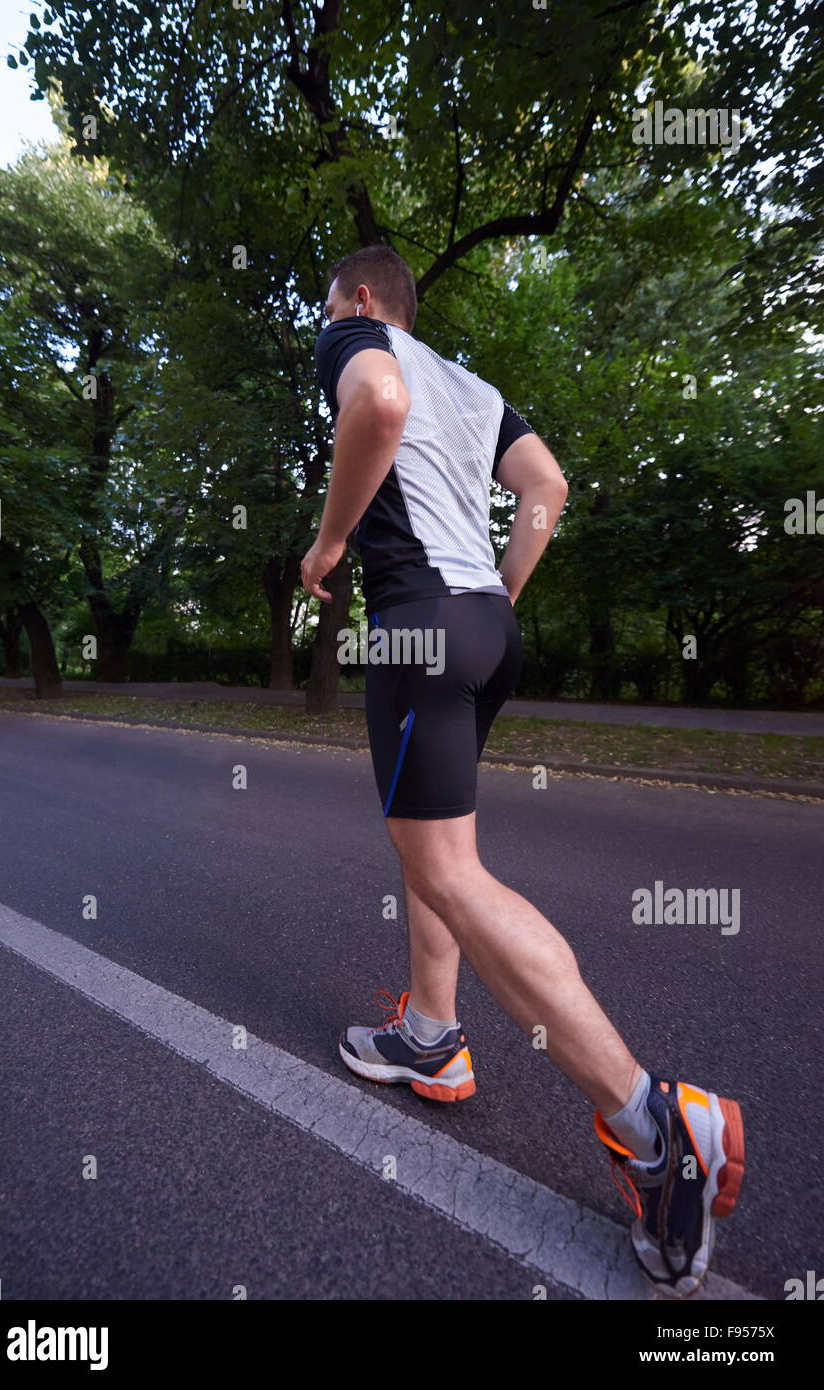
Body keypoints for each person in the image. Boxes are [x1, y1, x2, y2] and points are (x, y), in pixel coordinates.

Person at [301, 245, 744, 1298]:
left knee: (448, 869)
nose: (325, 323)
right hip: (486, 628)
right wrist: (498, 591)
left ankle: (656, 1120)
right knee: (436, 848)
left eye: (331, 306)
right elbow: (546, 484)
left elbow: (378, 404)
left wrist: (327, 546)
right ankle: (431, 1035)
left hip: (419, 627)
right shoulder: (478, 386)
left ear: (363, 298)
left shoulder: (356, 341)